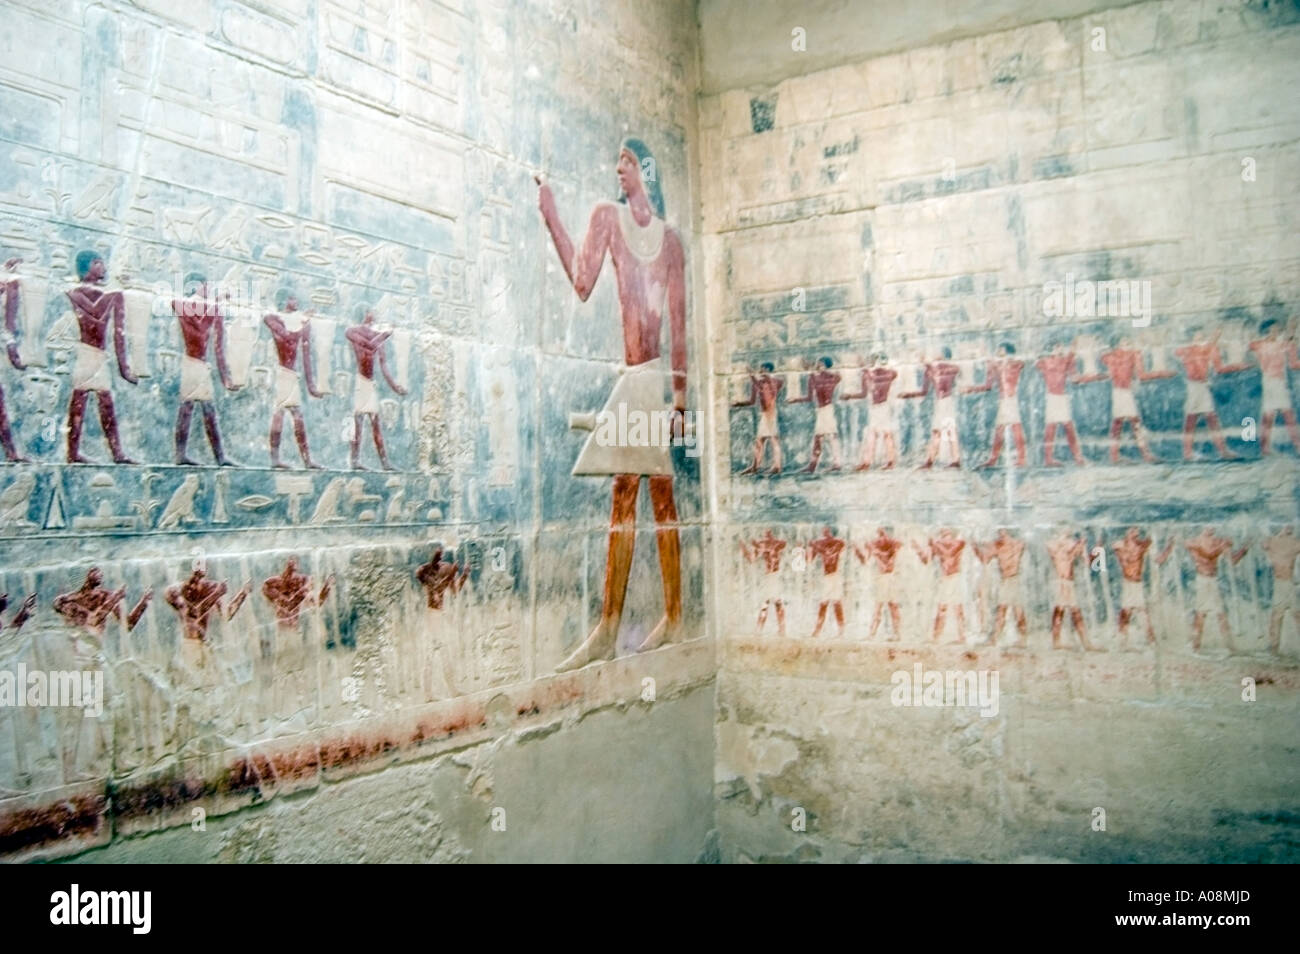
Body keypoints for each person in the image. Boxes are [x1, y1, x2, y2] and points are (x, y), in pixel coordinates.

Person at [536, 138, 687, 669]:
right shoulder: (606, 217)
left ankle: (670, 616)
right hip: (634, 379)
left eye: (625, 162)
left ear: (645, 168)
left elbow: (680, 330)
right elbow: (582, 282)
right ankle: (609, 626)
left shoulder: (671, 241)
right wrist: (553, 215)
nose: (617, 170)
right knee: (627, 495)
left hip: (654, 384)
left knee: (660, 500)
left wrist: (682, 402)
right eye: (617, 163)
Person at [64, 250, 138, 464]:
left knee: (103, 404)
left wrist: (124, 368)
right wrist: (115, 293)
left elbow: (119, 333)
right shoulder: (77, 292)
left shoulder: (110, 295)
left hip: (98, 355)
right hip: (86, 353)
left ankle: (116, 452)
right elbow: (95, 311)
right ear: (87, 267)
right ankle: (74, 452)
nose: (104, 268)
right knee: (80, 403)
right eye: (98, 263)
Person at [171, 272, 238, 465]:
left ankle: (205, 455)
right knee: (197, 409)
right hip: (194, 363)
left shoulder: (192, 306)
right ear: (197, 286)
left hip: (196, 363)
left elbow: (217, 346)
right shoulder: (200, 307)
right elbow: (214, 344)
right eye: (206, 285)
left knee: (195, 409)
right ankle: (214, 456)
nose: (209, 289)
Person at [346, 307, 407, 470]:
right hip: (360, 381)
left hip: (370, 383)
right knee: (358, 423)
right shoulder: (353, 331)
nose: (373, 315)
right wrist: (385, 334)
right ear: (363, 314)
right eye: (369, 311)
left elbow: (383, 365)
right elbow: (369, 345)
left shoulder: (377, 337)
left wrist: (394, 386)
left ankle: (384, 462)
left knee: (375, 424)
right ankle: (355, 460)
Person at [733, 362, 784, 474]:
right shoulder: (761, 383)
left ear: (768, 370)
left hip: (771, 413)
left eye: (763, 369)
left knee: (773, 440)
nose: (760, 371)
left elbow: (775, 384)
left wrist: (751, 374)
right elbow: (752, 401)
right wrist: (739, 404)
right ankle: (755, 466)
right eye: (760, 369)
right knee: (760, 441)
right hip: (765, 414)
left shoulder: (773, 381)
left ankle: (776, 466)